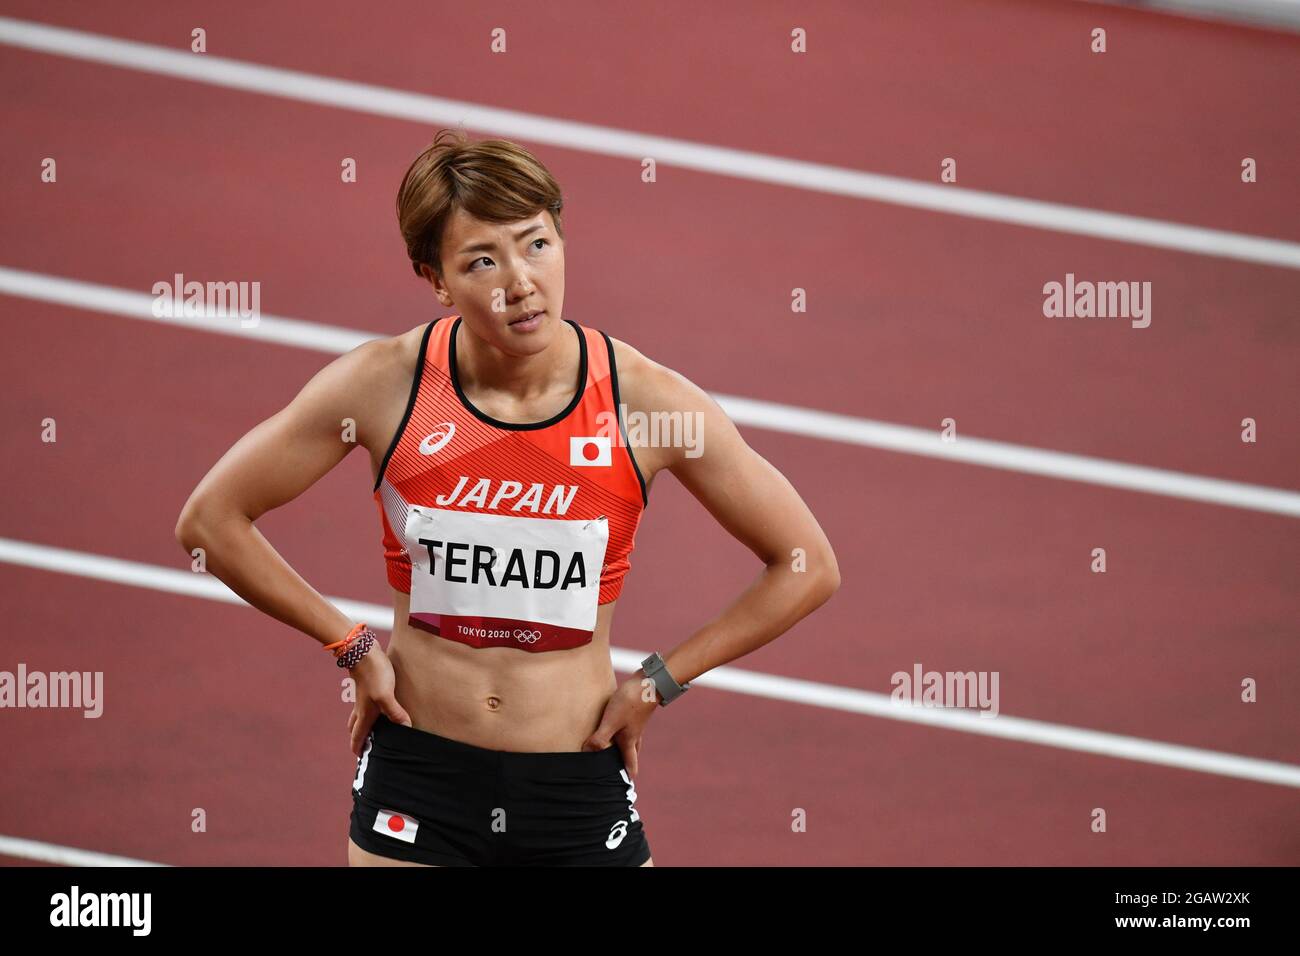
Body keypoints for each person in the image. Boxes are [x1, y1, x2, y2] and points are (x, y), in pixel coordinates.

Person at [174, 129, 841, 867]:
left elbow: (806, 564)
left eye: (537, 244)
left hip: (573, 780)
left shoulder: (643, 402)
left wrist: (658, 682)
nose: (519, 282)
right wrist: (351, 643)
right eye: (481, 261)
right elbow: (210, 519)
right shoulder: (385, 386)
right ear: (436, 278)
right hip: (420, 774)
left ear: (563, 238)